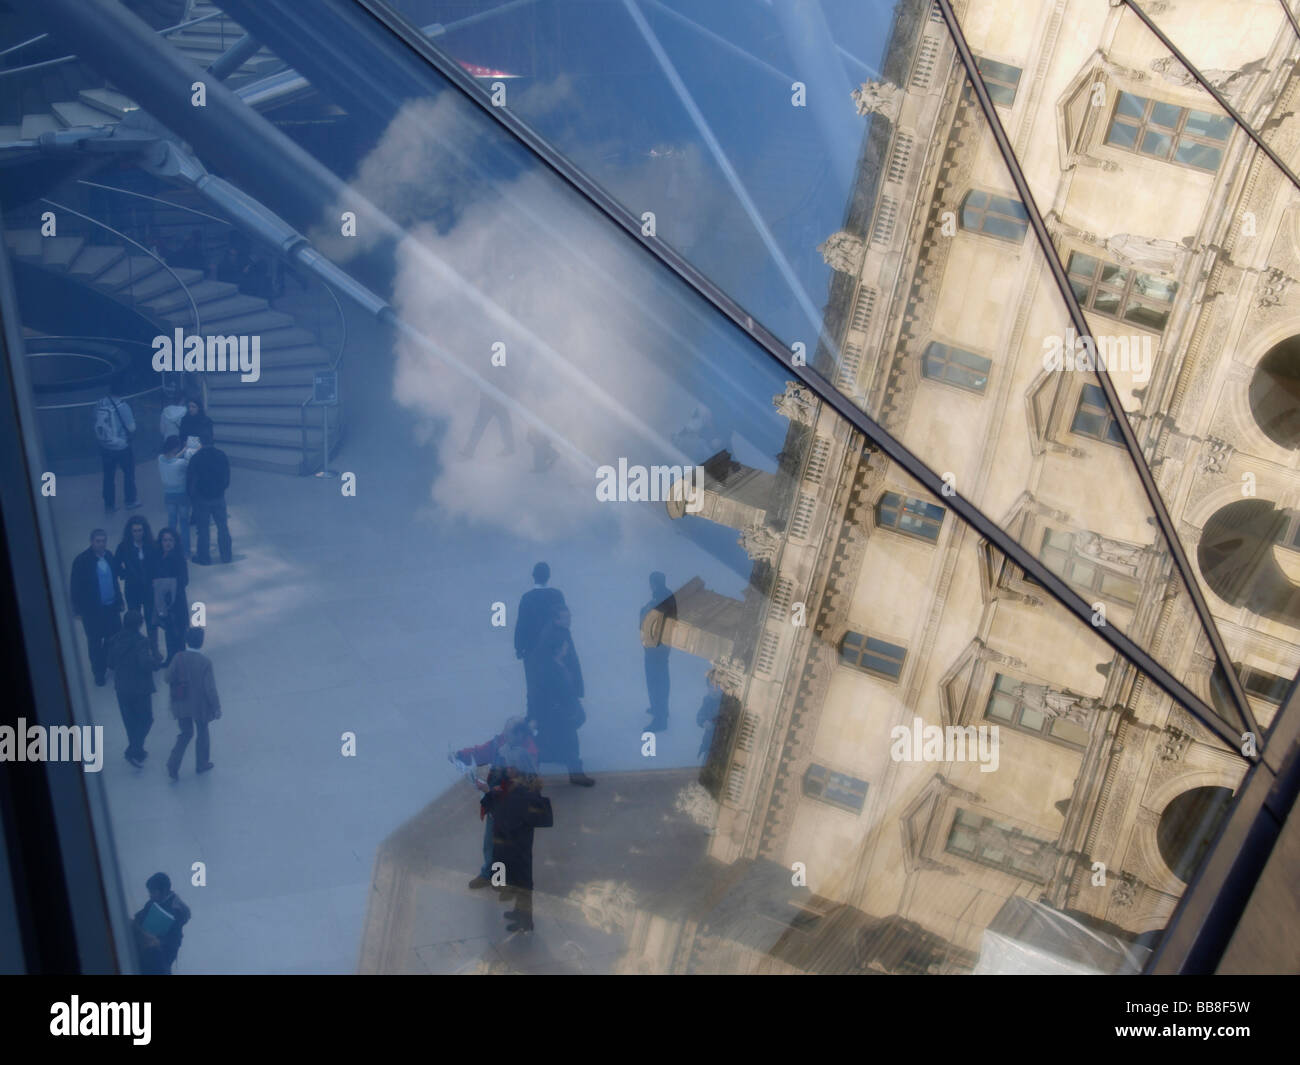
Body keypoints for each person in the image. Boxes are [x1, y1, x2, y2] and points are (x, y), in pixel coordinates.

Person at [456, 717, 540, 890]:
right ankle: (493, 876)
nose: (504, 736)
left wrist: (488, 789)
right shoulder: (501, 746)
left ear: (519, 735)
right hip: (498, 806)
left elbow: (518, 783)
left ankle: (505, 879)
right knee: (492, 844)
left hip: (512, 810)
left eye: (508, 733)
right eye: (505, 732)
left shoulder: (526, 755)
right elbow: (481, 753)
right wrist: (461, 755)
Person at [482, 754, 551, 934]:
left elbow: (509, 811)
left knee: (523, 882)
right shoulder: (514, 787)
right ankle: (519, 913)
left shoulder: (523, 792)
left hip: (518, 844)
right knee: (516, 880)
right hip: (512, 842)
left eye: (511, 767)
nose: (507, 770)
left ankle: (526, 921)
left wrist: (490, 794)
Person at [528, 605, 595, 786]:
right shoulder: (554, 646)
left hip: (559, 708)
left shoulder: (558, 635)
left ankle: (569, 770)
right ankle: (574, 772)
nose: (569, 620)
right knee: (566, 740)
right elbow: (541, 688)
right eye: (565, 618)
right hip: (558, 709)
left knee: (558, 739)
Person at [165, 626, 220, 780]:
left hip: (181, 703)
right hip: (200, 706)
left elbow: (167, 678)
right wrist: (216, 708)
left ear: (186, 641)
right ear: (201, 642)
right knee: (202, 732)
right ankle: (202, 764)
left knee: (186, 734)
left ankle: (173, 764)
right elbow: (210, 688)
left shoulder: (178, 657)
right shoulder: (205, 662)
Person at [70, 529, 123, 687]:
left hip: (111, 607)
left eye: (103, 541)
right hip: (92, 610)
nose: (101, 544)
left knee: (112, 637)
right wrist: (77, 609)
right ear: (91, 542)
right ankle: (98, 672)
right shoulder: (81, 561)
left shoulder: (109, 556)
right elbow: (75, 587)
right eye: (98, 541)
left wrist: (119, 600)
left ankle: (109, 662)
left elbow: (114, 581)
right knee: (94, 641)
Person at [513, 562, 564, 720]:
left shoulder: (527, 599)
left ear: (533, 576)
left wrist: (519, 648)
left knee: (533, 685)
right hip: (554, 648)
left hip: (532, 651)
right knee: (554, 681)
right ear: (548, 576)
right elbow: (563, 621)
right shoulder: (557, 595)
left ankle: (533, 716)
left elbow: (521, 625)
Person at [106, 610, 156, 767]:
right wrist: (155, 662)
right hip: (140, 688)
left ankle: (138, 751)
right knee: (147, 719)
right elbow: (145, 664)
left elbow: (110, 663)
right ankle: (133, 750)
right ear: (139, 625)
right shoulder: (141, 642)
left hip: (122, 687)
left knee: (131, 722)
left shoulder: (115, 640)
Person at [115, 516, 158, 661]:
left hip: (149, 590)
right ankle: (135, 652)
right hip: (133, 590)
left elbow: (157, 565)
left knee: (152, 622)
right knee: (134, 622)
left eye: (140, 530)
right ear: (130, 532)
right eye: (135, 531)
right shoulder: (123, 547)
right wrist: (125, 574)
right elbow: (116, 566)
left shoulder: (152, 545)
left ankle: (154, 651)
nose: (138, 533)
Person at [132, 872, 191, 975]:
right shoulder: (153, 903)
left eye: (152, 892)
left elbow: (171, 945)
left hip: (157, 963)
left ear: (163, 891)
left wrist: (155, 942)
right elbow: (139, 918)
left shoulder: (176, 913)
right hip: (145, 955)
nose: (150, 895)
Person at [188, 431, 232, 566]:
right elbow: (227, 476)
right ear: (213, 441)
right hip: (218, 496)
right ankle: (226, 556)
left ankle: (204, 558)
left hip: (201, 498)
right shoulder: (221, 455)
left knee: (203, 530)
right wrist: (222, 489)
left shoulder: (195, 458)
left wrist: (192, 497)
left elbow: (191, 480)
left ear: (201, 442)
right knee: (222, 527)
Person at [94, 387, 140, 514]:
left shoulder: (100, 403)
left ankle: (109, 505)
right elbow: (131, 428)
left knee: (108, 477)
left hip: (105, 447)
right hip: (122, 447)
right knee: (128, 474)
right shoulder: (123, 406)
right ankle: (130, 501)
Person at [641, 572, 676, 733]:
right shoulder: (668, 596)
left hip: (655, 648)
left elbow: (650, 619)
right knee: (661, 680)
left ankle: (660, 719)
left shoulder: (660, 599)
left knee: (655, 682)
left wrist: (644, 611)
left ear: (652, 584)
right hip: (661, 647)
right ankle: (660, 709)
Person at [149, 528, 189, 666]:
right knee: (168, 631)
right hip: (163, 602)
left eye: (170, 540)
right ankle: (171, 658)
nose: (167, 543)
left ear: (175, 542)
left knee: (179, 631)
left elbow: (184, 580)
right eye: (165, 540)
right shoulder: (158, 557)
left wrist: (165, 584)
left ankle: (181, 659)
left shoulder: (179, 558)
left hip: (177, 602)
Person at [158, 436, 192, 560]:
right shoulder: (182, 463)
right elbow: (186, 464)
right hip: (182, 496)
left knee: (171, 524)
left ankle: (169, 549)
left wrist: (182, 451)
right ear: (176, 447)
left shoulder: (160, 459)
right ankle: (186, 552)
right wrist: (188, 451)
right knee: (184, 525)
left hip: (169, 495)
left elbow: (172, 460)